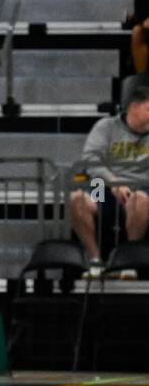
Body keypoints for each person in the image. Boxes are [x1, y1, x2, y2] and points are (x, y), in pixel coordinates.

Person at [68, 88, 149, 277]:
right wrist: (114, 182)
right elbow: (91, 160)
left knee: (140, 199)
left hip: (142, 187)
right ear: (134, 108)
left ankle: (128, 259)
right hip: (103, 186)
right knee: (77, 198)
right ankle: (95, 260)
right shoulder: (106, 127)